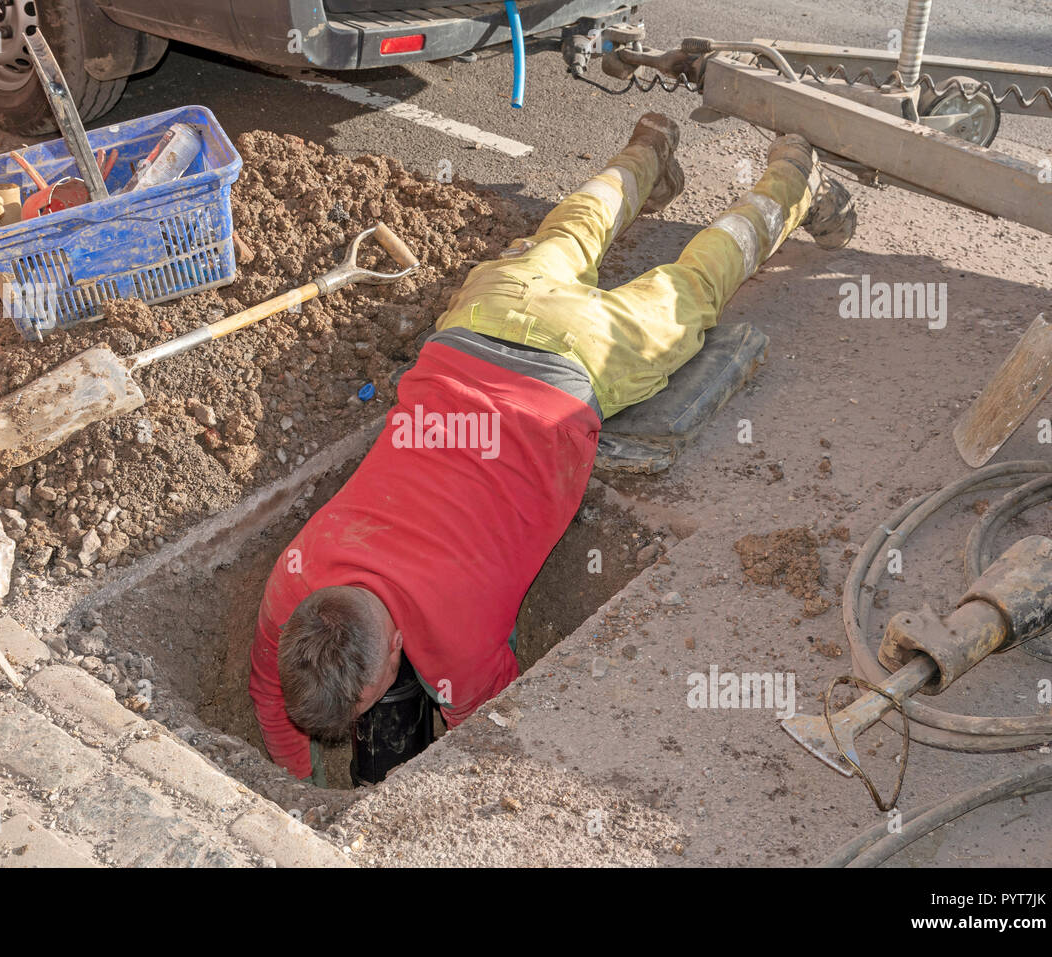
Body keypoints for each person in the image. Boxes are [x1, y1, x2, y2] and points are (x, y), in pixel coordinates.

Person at [248, 114, 855, 778]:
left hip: (575, 364)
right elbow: (272, 695)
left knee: (696, 287)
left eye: (365, 705)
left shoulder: (461, 646)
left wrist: (330, 779)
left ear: (396, 646)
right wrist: (303, 788)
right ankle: (648, 150)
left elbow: (483, 735)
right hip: (481, 317)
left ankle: (793, 179)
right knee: (570, 232)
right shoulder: (292, 578)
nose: (367, 721)